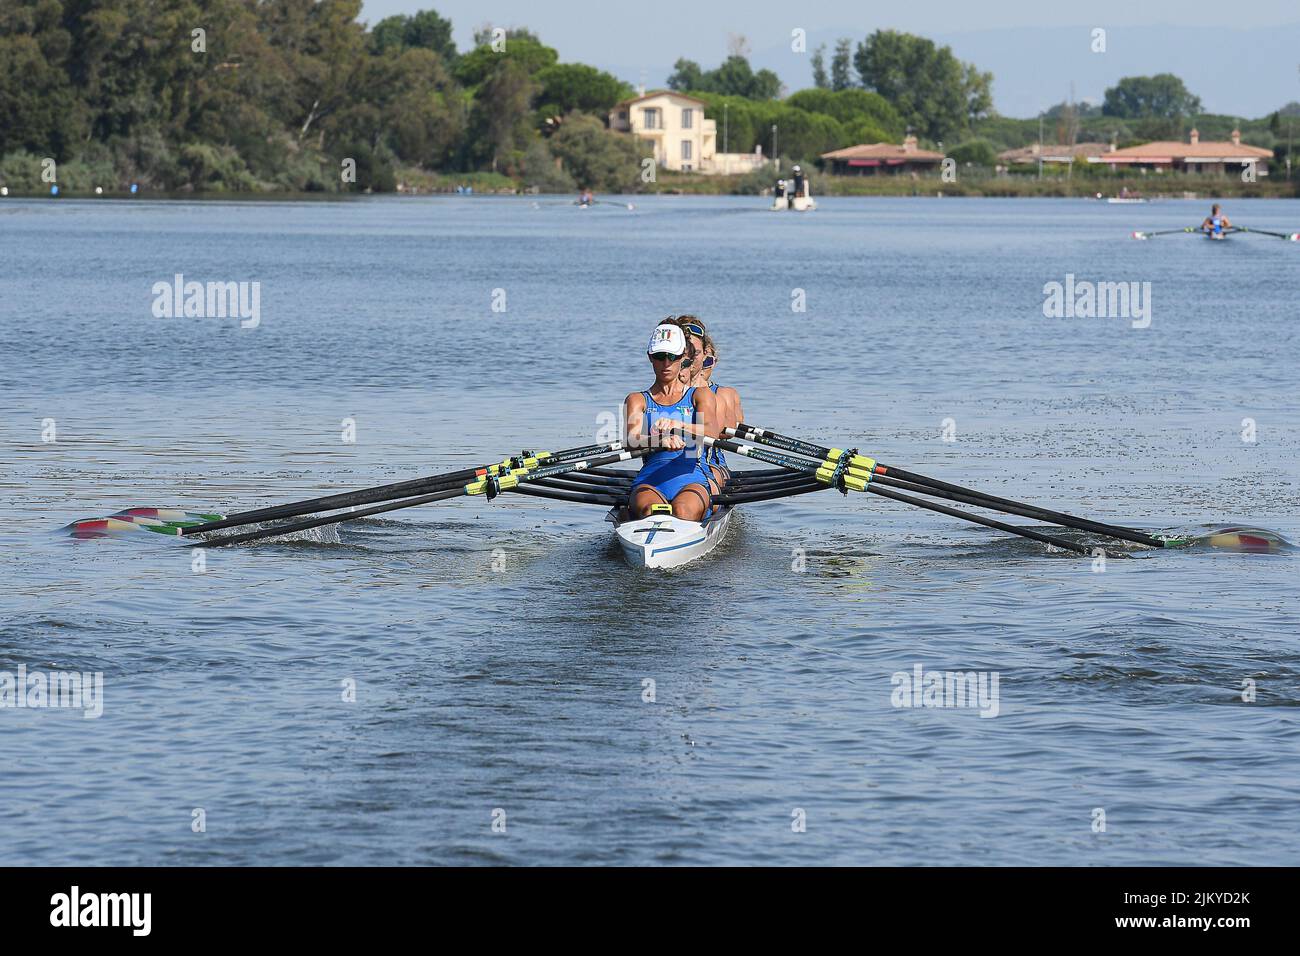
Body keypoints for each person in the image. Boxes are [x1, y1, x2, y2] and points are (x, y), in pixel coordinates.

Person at [623, 323, 719, 521]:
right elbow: (631, 440)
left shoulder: (700, 395)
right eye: (660, 356)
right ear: (650, 356)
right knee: (649, 512)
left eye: (672, 356)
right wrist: (660, 442)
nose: (666, 363)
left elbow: (712, 433)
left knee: (683, 511)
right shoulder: (637, 400)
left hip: (692, 477)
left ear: (684, 356)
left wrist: (678, 426)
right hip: (650, 481)